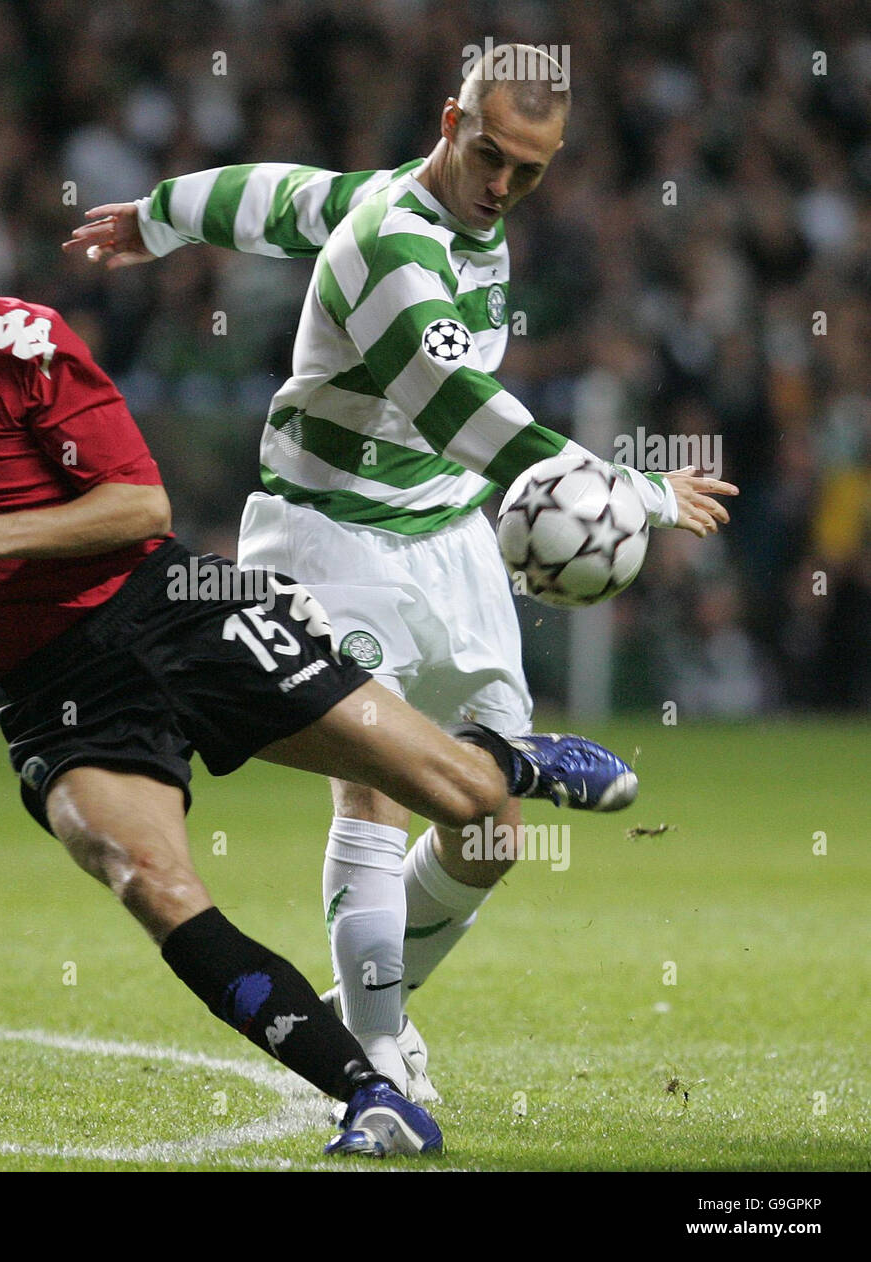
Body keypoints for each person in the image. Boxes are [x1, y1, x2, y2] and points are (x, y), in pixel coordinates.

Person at [0, 144, 641, 1159]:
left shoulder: (18, 342)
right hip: (56, 689)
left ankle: (513, 758)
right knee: (149, 882)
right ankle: (372, 1093)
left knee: (470, 803)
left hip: (173, 609)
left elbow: (138, 507)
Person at [66, 45, 738, 1098]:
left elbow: (281, 194)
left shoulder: (439, 206)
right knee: (374, 784)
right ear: (446, 120)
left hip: (447, 531)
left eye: (529, 168)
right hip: (327, 528)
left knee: (488, 828)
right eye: (487, 155)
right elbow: (455, 410)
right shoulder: (389, 242)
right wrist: (630, 489)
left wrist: (158, 217)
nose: (502, 185)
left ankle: (374, 997)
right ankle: (374, 1064)